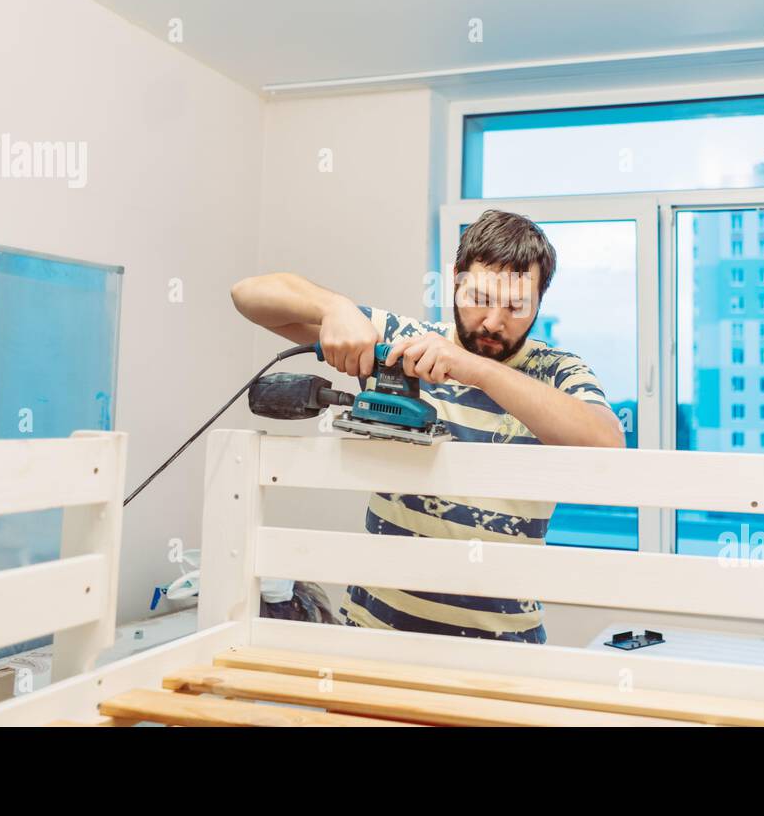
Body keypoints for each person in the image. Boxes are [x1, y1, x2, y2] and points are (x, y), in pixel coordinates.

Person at [230, 208, 623, 644]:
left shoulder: (556, 371)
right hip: (374, 634)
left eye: (516, 306)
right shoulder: (404, 341)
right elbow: (248, 295)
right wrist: (335, 308)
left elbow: (607, 444)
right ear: (455, 279)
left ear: (540, 299)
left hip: (504, 646)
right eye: (480, 299)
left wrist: (476, 370)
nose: (493, 322)